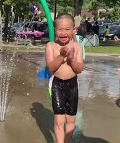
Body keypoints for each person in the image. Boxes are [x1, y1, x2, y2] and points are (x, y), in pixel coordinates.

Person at [45, 14, 84, 143]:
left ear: (73, 30)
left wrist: (71, 59)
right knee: (59, 120)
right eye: (60, 29)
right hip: (57, 85)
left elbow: (78, 70)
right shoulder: (51, 46)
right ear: (55, 30)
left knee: (71, 120)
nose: (63, 32)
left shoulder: (77, 47)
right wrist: (61, 56)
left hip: (72, 84)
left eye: (67, 29)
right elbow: (51, 68)